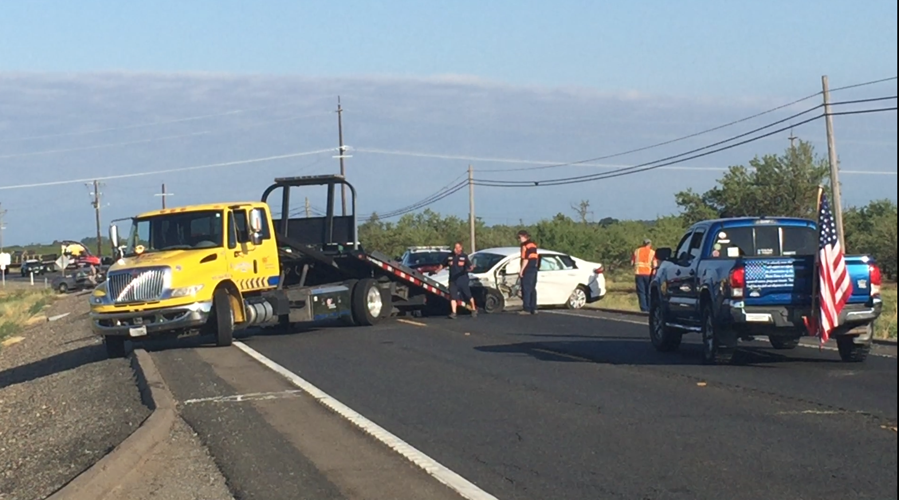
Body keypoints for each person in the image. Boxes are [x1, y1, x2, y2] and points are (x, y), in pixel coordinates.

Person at [437, 242, 477, 319]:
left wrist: (471, 268)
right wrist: (438, 270)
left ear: (460, 248)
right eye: (454, 247)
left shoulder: (464, 257)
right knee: (453, 296)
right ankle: (454, 312)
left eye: (457, 247)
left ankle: (474, 309)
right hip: (453, 280)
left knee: (468, 295)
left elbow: (470, 266)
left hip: (463, 280)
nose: (455, 249)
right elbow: (443, 264)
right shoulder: (449, 256)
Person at [632, 238, 657, 312]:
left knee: (641, 292)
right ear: (650, 244)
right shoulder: (653, 252)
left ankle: (643, 309)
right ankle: (650, 308)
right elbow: (655, 264)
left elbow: (632, 262)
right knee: (649, 291)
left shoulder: (637, 251)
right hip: (649, 274)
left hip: (639, 273)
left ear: (643, 243)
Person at [517, 230, 539, 315]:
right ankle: (534, 307)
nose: (519, 239)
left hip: (527, 269)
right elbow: (536, 258)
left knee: (526, 289)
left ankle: (526, 308)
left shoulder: (524, 245)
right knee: (532, 289)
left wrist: (521, 270)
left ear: (523, 236)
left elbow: (525, 259)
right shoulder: (533, 245)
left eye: (519, 237)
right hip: (534, 268)